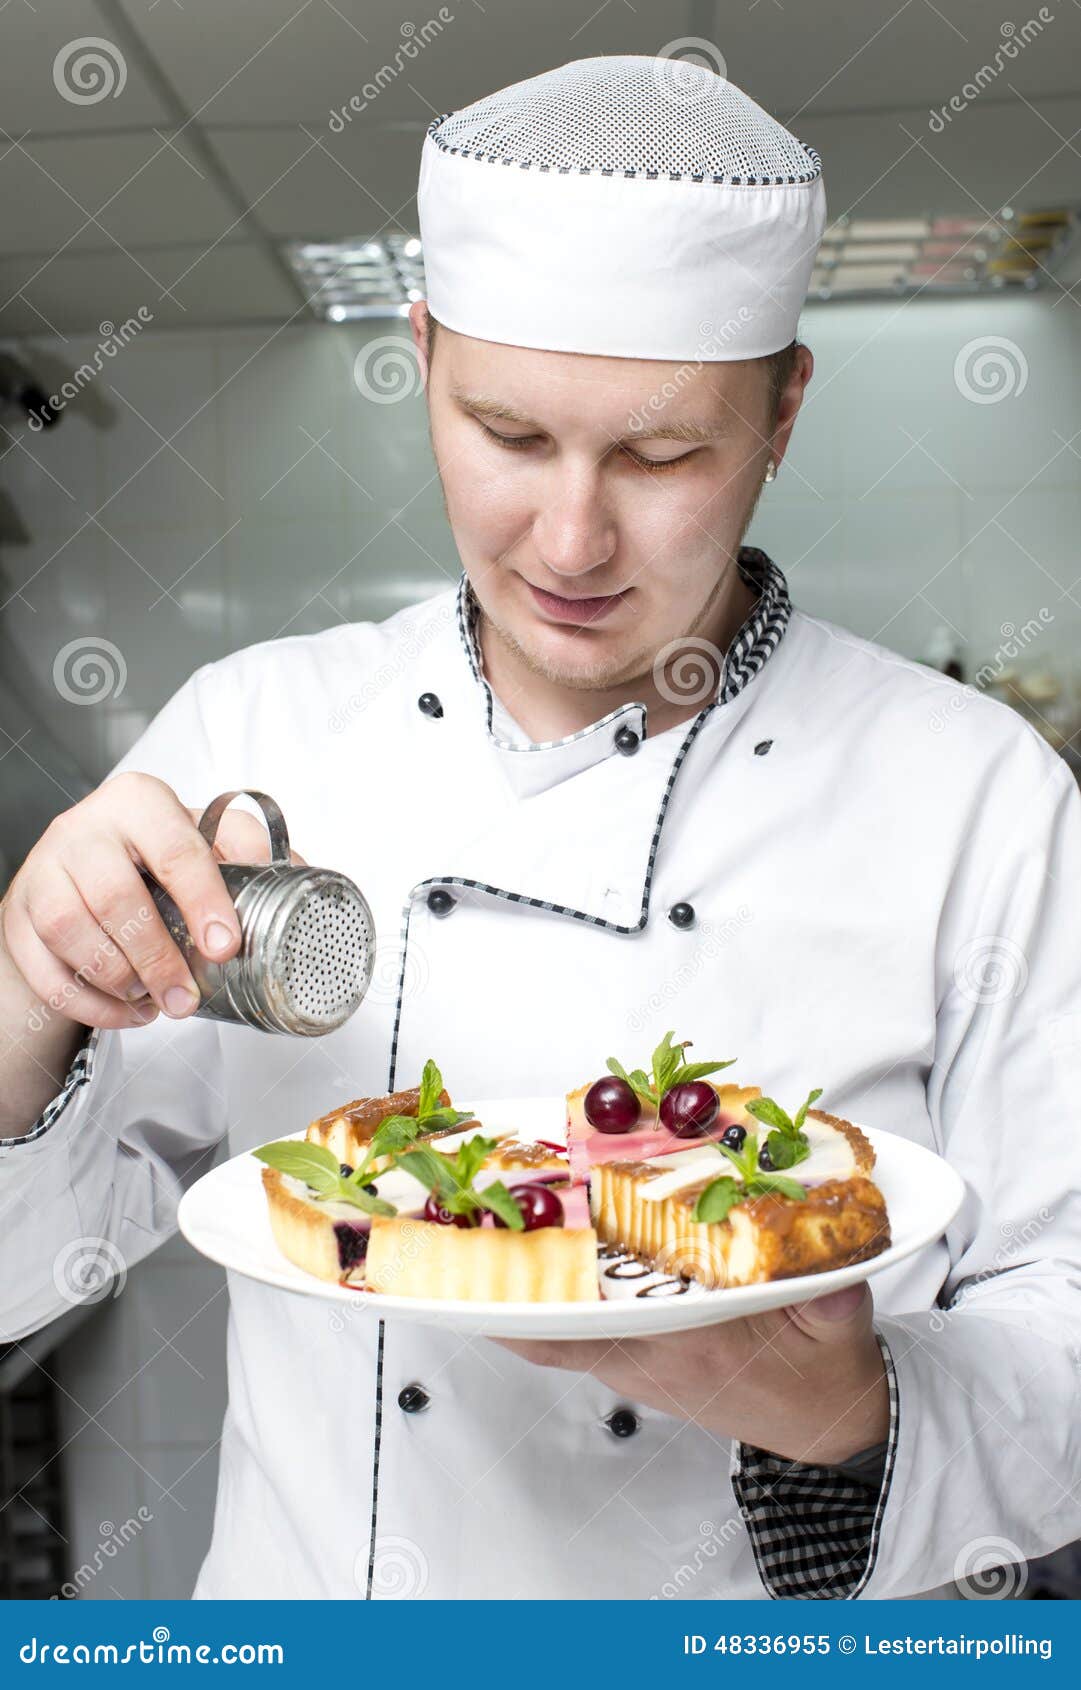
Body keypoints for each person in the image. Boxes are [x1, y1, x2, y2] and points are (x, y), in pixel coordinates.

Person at [1, 55, 1079, 1602]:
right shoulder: (255, 736)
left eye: (659, 456)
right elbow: (26, 1264)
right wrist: (26, 993)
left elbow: (1067, 1316)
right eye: (508, 436)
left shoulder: (977, 795)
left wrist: (851, 1414)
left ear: (782, 412)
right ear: (422, 355)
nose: (570, 540)